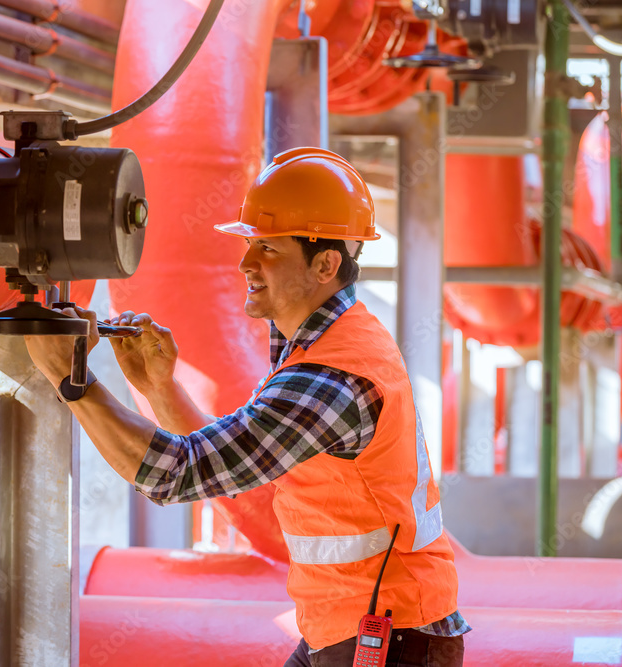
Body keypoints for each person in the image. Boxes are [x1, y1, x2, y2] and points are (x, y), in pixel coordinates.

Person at [25, 147, 469, 666]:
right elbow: (234, 462)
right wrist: (161, 389)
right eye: (249, 245)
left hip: (389, 634)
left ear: (325, 263)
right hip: (354, 623)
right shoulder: (322, 342)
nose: (245, 264)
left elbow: (176, 475)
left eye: (268, 250)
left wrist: (70, 379)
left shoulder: (329, 379)